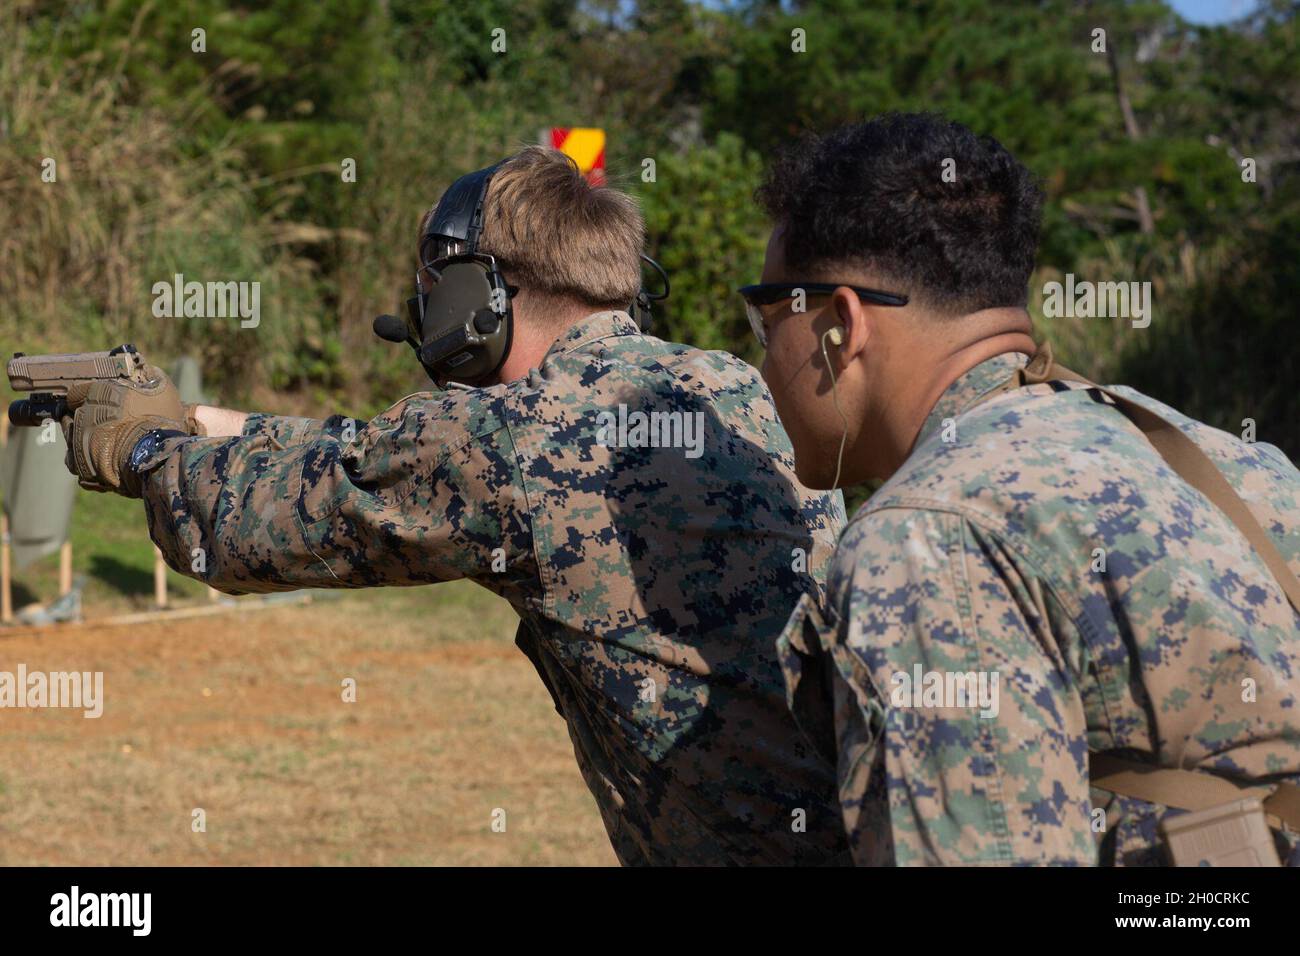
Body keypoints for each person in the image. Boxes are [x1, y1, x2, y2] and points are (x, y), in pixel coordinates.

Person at [61, 146, 848, 865]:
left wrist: (140, 451)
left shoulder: (510, 443)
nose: (422, 311)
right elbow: (381, 458)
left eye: (432, 289)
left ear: (477, 293)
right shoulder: (732, 387)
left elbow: (237, 532)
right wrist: (201, 421)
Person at [745, 112, 1300, 866]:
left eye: (768, 315)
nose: (765, 359)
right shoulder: (1231, 460)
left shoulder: (922, 538)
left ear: (840, 323)